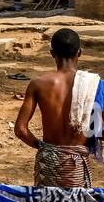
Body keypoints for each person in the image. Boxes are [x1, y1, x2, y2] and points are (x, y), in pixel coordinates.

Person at [15, 28, 94, 188]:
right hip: (76, 165)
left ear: (52, 53)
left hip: (49, 162)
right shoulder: (93, 85)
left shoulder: (38, 84)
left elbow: (20, 130)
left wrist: (44, 147)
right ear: (79, 52)